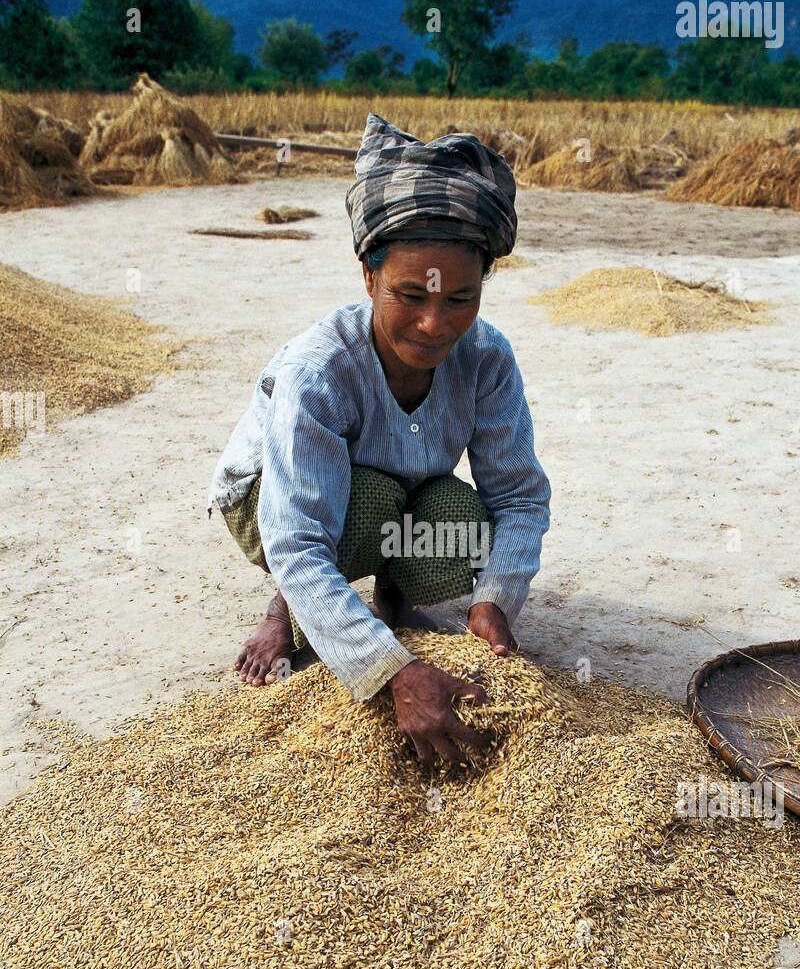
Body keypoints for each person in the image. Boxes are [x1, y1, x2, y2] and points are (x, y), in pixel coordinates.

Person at [208, 113, 551, 763]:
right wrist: (390, 672)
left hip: (400, 489)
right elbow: (298, 536)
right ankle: (287, 608)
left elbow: (520, 499)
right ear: (368, 277)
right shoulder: (320, 371)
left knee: (458, 514)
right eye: (408, 295)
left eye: (461, 298)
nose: (432, 323)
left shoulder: (487, 358)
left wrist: (494, 600)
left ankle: (393, 591)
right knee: (363, 501)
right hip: (268, 503)